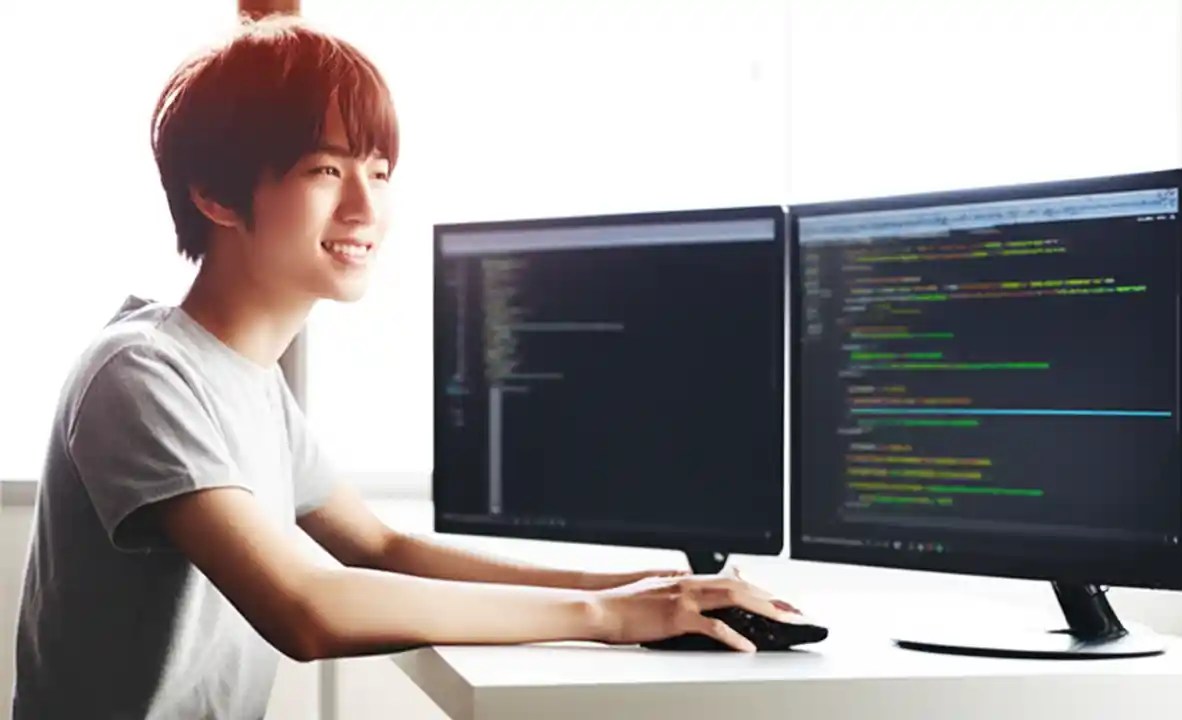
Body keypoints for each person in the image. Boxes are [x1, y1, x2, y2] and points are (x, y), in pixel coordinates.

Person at [11, 13, 802, 720]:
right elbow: (308, 608)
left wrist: (644, 592)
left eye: (378, 171)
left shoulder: (249, 380)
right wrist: (610, 620)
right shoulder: (139, 373)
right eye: (326, 170)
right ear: (216, 194)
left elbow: (380, 549)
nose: (366, 207)